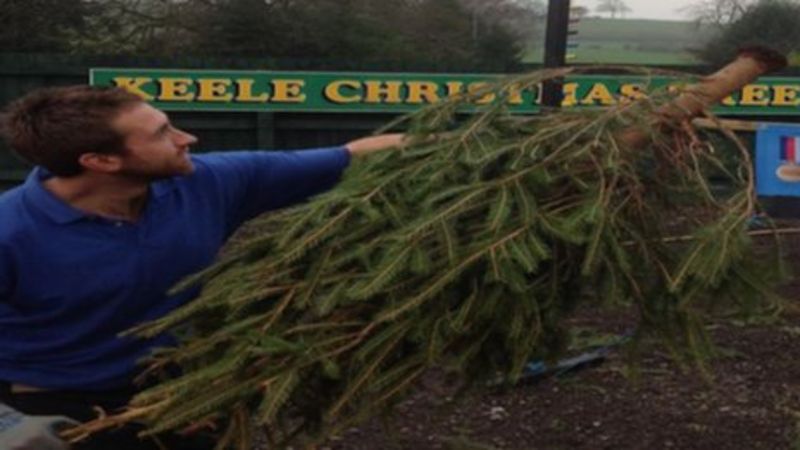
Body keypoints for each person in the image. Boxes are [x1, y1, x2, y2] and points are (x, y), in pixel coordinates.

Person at [0, 85, 408, 450]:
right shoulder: (10, 232)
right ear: (101, 160)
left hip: (179, 394)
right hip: (52, 409)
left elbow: (349, 156)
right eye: (162, 134)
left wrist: (459, 143)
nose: (186, 139)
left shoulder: (205, 183)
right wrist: (10, 425)